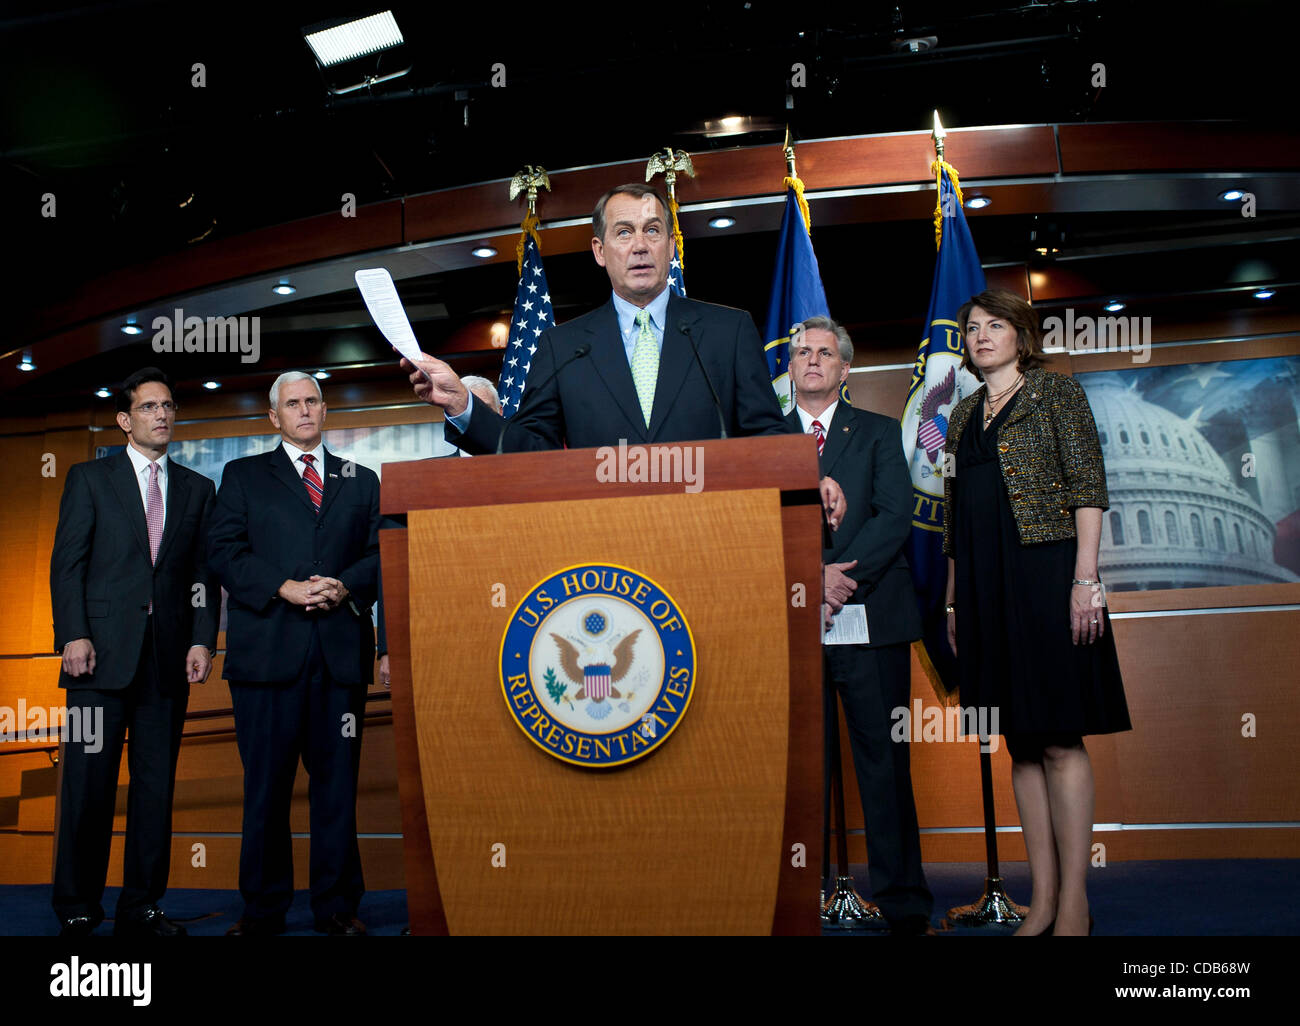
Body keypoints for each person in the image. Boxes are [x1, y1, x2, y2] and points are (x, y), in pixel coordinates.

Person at [399, 182, 846, 527]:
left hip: (715, 538)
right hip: (605, 550)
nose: (639, 245)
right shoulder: (562, 346)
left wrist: (806, 478)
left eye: (653, 231)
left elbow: (765, 436)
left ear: (671, 246)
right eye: (624, 232)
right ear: (600, 251)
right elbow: (529, 450)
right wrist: (462, 404)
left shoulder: (727, 331)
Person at [942, 288, 1131, 937]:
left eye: (996, 325)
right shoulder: (963, 415)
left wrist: (1086, 581)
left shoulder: (1057, 394)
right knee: (1019, 743)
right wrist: (952, 598)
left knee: (1058, 736)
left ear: (1020, 336)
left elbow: (1087, 486)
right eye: (972, 328)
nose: (983, 335)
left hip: (1049, 577)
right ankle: (1043, 901)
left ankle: (1075, 903)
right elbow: (952, 519)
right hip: (984, 589)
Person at [208, 371, 380, 936]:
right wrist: (283, 585)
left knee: (336, 793)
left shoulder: (363, 480)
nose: (304, 411)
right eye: (292, 404)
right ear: (273, 417)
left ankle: (336, 908)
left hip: (338, 661)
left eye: (312, 401)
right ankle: (262, 912)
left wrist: (346, 585)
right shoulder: (242, 476)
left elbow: (381, 554)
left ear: (325, 410)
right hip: (267, 662)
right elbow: (225, 554)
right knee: (265, 793)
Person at [49, 367, 217, 937]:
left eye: (168, 406)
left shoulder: (198, 488)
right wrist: (72, 634)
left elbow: (202, 573)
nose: (162, 415)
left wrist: (201, 637)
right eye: (149, 407)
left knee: (154, 791)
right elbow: (66, 563)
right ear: (125, 420)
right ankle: (77, 904)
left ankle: (141, 906)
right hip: (95, 661)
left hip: (165, 664)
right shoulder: (89, 478)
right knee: (87, 790)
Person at [787, 317, 933, 936]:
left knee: (884, 766)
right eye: (802, 352)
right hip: (792, 621)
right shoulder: (761, 439)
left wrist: (836, 580)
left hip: (868, 618)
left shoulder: (876, 431)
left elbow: (894, 516)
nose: (813, 361)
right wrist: (810, 581)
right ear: (789, 365)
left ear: (845, 370)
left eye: (826, 353)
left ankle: (903, 906)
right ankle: (800, 903)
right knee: (800, 771)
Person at [375, 376, 500, 687]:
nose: (477, 416)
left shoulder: (536, 474)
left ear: (500, 415)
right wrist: (389, 648)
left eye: (484, 408)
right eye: (468, 407)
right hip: (445, 640)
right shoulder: (419, 483)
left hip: (519, 629)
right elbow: (392, 568)